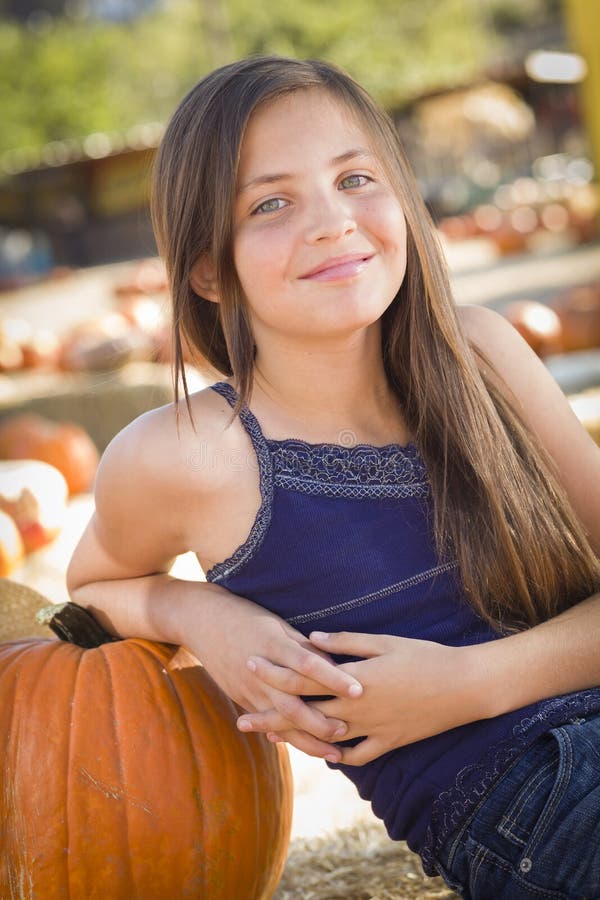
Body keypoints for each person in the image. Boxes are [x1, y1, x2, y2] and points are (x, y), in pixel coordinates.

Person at [66, 56, 600, 898]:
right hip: (538, 808)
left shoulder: (482, 355)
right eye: (271, 202)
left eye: (356, 178)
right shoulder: (192, 454)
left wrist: (470, 682)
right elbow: (92, 586)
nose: (332, 222)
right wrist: (196, 610)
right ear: (208, 268)